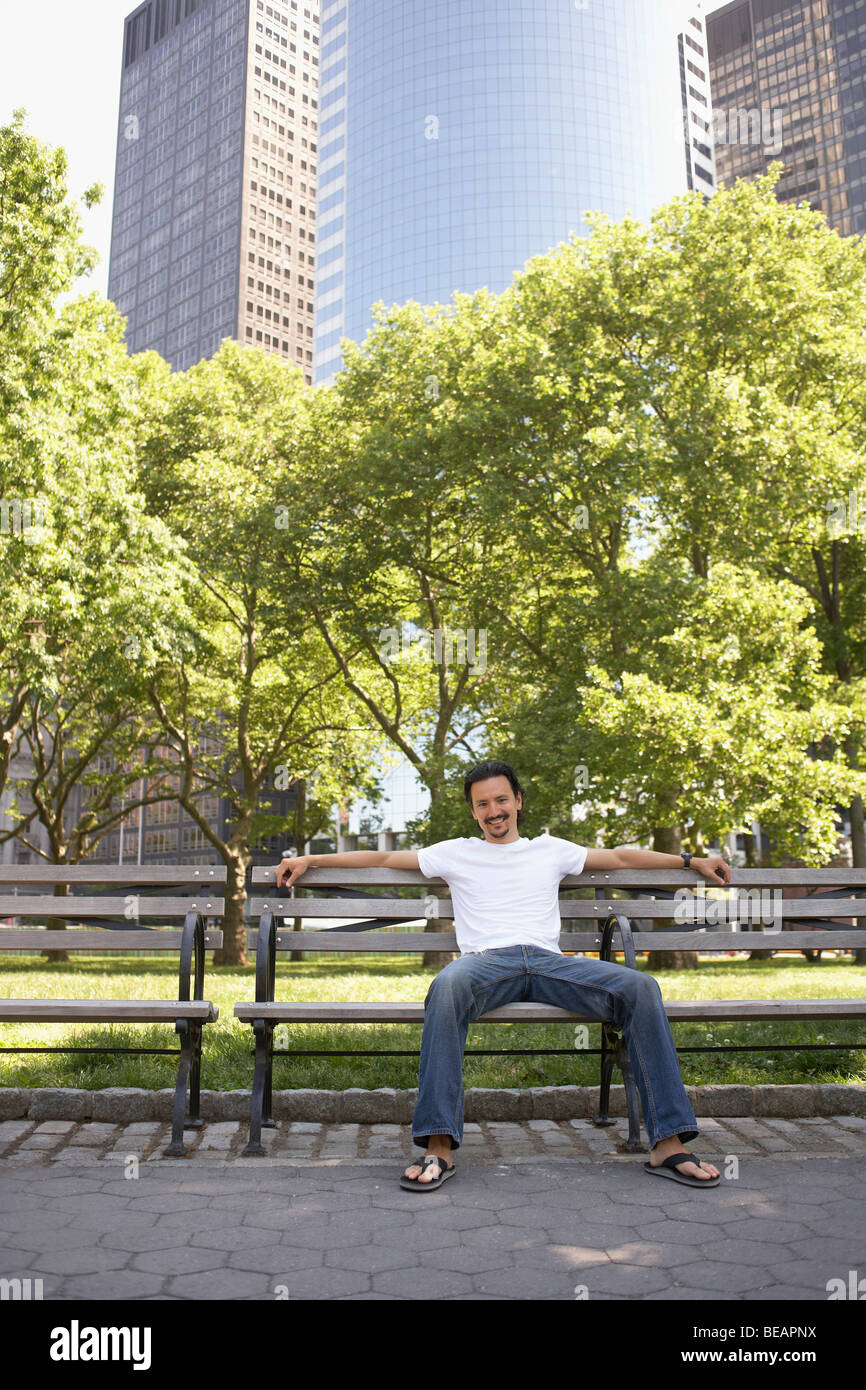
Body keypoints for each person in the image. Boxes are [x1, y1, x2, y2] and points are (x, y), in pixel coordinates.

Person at [275, 760, 727, 1192]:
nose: (494, 811)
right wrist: (312, 861)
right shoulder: (455, 853)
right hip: (488, 965)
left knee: (641, 987)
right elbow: (386, 857)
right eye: (483, 804)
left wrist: (690, 862)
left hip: (550, 963)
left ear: (518, 801)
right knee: (447, 986)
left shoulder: (550, 849)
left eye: (501, 800)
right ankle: (438, 1147)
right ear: (473, 811)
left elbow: (621, 859)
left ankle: (667, 1144)